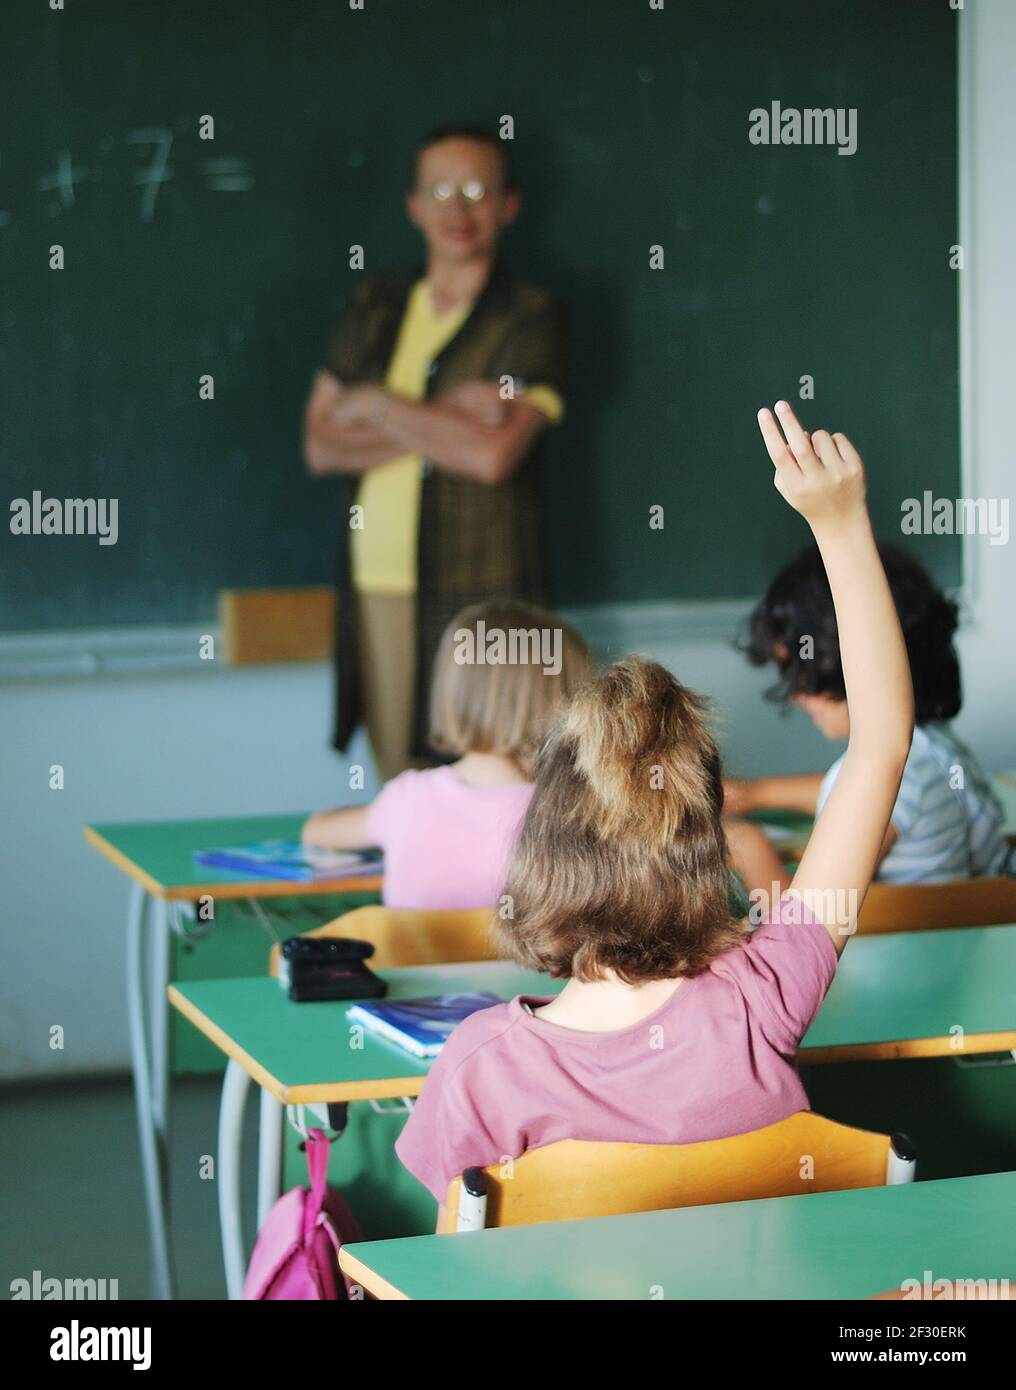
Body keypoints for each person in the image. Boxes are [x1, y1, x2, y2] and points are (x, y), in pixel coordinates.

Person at [395, 401, 915, 1215]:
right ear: (704, 845)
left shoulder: (480, 1069)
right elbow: (880, 748)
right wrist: (842, 528)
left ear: (538, 847)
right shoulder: (759, 998)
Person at [303, 126, 567, 781]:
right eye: (440, 191)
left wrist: (379, 404)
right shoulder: (377, 304)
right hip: (381, 582)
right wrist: (450, 413)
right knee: (408, 787)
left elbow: (491, 458)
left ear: (509, 205)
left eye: (477, 191)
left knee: (505, 784)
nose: (458, 209)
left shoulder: (532, 314)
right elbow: (320, 444)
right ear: (414, 205)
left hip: (488, 590)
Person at [725, 545, 1008, 883]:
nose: (797, 696)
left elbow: (803, 928)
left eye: (801, 675)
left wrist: (743, 844)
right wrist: (756, 795)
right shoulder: (932, 747)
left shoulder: (904, 779)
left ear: (853, 661)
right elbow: (866, 788)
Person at [302, 599, 591, 909]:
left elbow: (315, 831)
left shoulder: (406, 798)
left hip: (411, 957)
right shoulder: (569, 815)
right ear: (562, 707)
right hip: (516, 959)